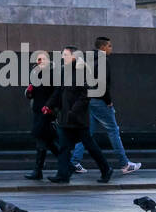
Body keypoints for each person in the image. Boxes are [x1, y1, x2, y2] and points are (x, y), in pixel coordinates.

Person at [69, 36, 141, 175]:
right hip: (99, 100)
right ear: (102, 47)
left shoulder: (89, 59)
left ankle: (74, 162)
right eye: (109, 46)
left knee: (87, 133)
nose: (111, 49)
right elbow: (103, 84)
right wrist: (108, 101)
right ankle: (125, 164)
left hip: (88, 99)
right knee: (113, 130)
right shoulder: (103, 61)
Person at [45, 47, 112, 184]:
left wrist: (72, 111)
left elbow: (85, 95)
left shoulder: (82, 71)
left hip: (78, 119)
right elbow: (58, 90)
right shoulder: (63, 71)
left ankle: (106, 169)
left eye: (65, 54)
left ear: (74, 56)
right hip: (65, 117)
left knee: (90, 145)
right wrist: (49, 105)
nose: (63, 57)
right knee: (64, 146)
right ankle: (63, 175)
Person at [24, 51, 58, 180]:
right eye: (38, 59)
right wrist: (29, 92)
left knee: (41, 138)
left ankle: (38, 170)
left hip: (47, 111)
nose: (40, 61)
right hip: (37, 110)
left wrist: (50, 107)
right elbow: (32, 91)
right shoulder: (35, 72)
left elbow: (56, 93)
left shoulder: (53, 73)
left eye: (42, 59)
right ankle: (67, 163)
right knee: (46, 141)